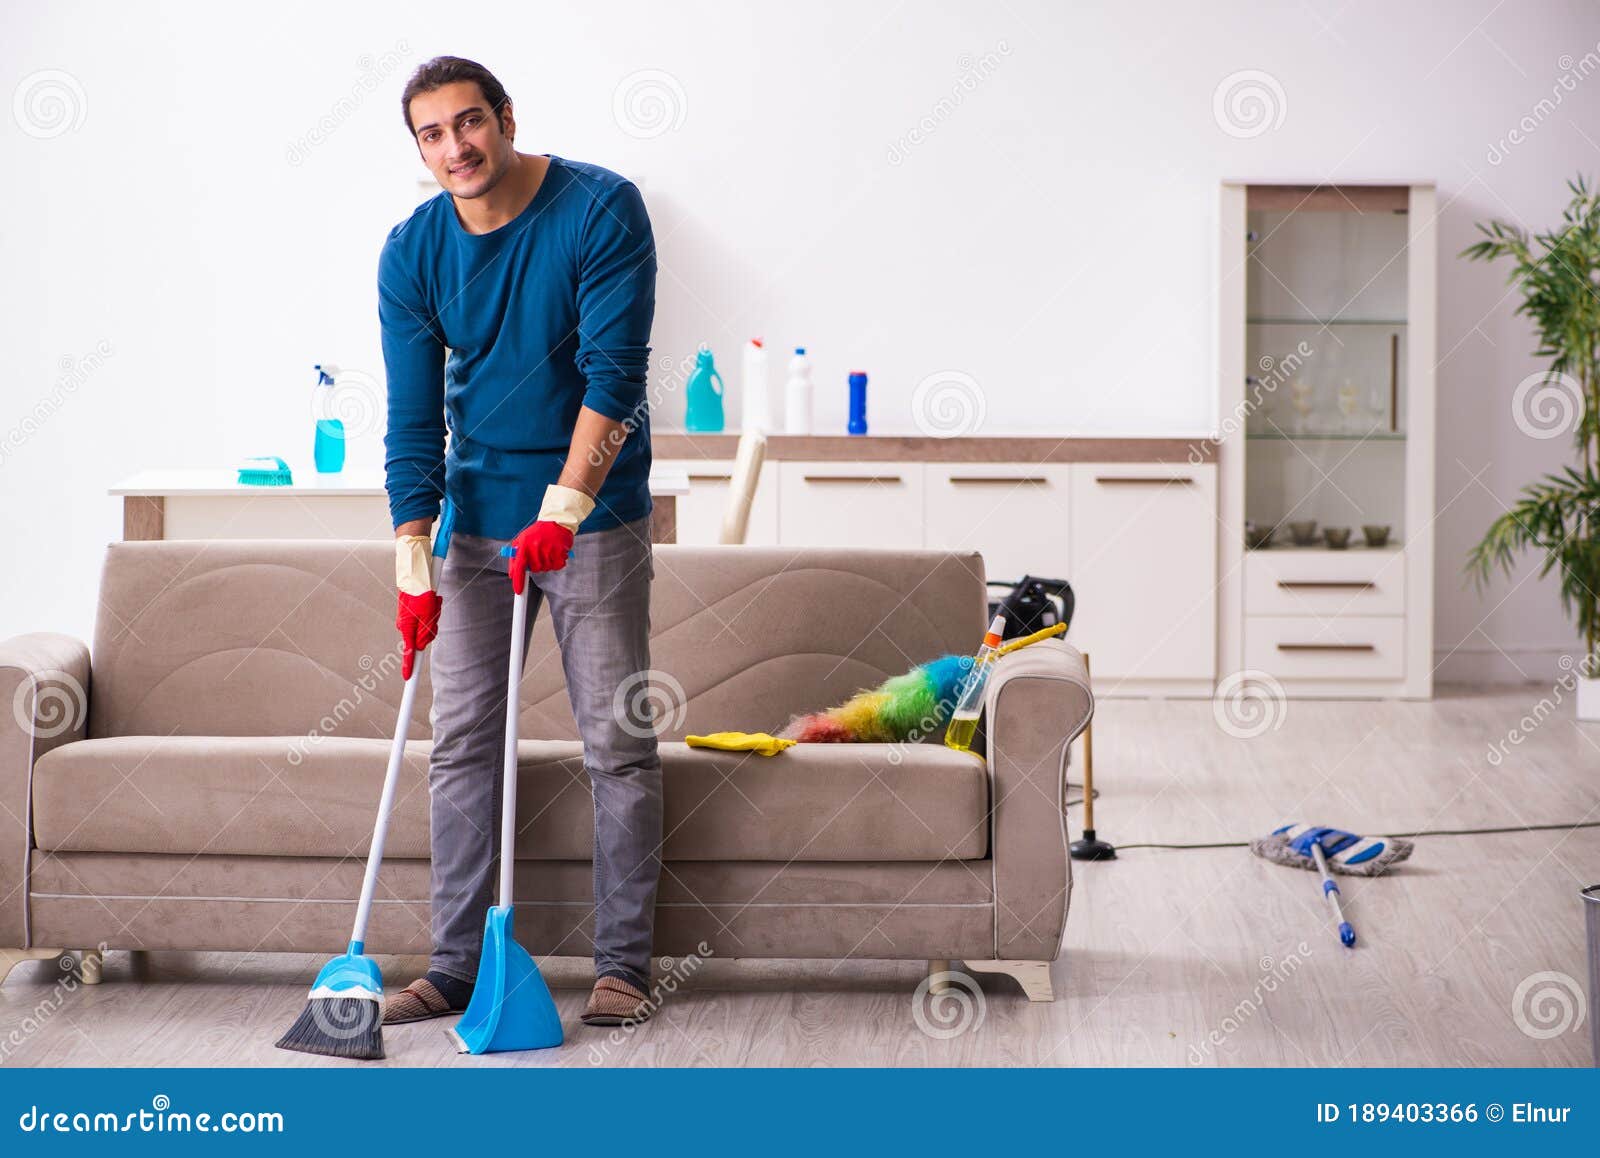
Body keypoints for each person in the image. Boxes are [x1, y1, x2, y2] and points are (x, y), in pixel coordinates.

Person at [378, 55, 662, 1028]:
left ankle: (622, 965)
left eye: (469, 123)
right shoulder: (412, 252)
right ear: (419, 149)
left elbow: (614, 379)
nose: (455, 147)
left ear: (504, 117)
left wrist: (565, 508)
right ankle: (455, 968)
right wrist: (415, 563)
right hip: (477, 525)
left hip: (593, 520)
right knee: (459, 747)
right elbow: (414, 420)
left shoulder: (601, 211)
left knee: (616, 745)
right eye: (432, 134)